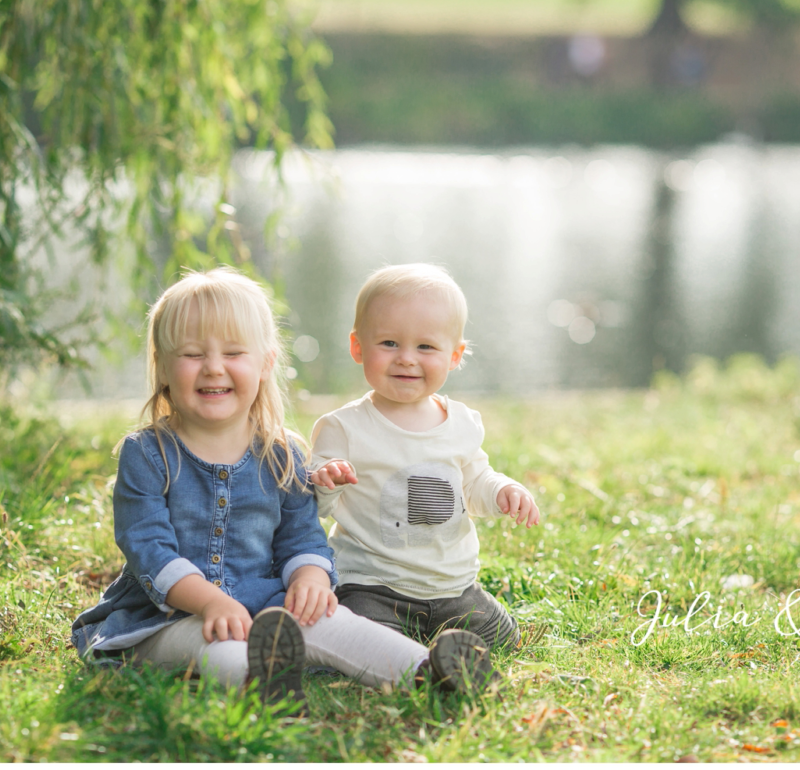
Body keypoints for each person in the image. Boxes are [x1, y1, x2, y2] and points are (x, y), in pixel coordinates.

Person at [71, 267, 495, 710]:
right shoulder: (148, 454)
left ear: (266, 362)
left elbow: (301, 534)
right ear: (162, 366)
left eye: (234, 352)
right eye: (193, 354)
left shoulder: (281, 454)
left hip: (265, 606)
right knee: (218, 645)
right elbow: (149, 549)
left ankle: (431, 670)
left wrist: (309, 576)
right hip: (169, 618)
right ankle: (265, 680)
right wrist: (211, 602)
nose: (214, 367)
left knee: (337, 622)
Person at [309, 263, 541, 652]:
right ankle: (408, 656)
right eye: (389, 344)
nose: (406, 359)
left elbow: (474, 482)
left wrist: (501, 490)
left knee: (505, 639)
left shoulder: (462, 423)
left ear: (454, 355)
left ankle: (445, 646)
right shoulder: (344, 428)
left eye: (426, 347)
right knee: (367, 639)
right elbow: (313, 506)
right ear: (357, 347)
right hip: (372, 585)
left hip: (452, 586)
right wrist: (325, 479)